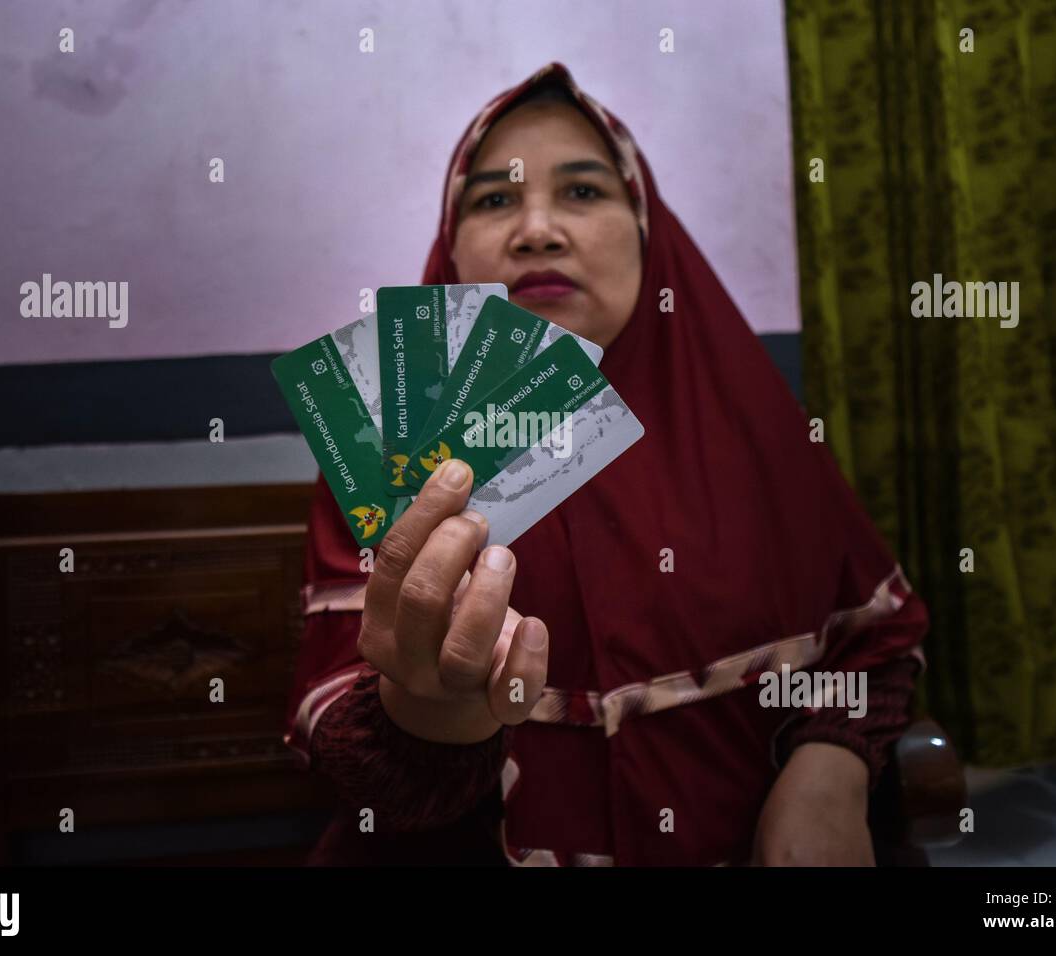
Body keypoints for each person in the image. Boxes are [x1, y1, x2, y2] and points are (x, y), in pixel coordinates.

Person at [284, 62, 929, 866]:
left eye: (584, 192)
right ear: (451, 254)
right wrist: (428, 718)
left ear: (647, 229)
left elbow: (875, 640)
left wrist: (828, 769)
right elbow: (344, 749)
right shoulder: (396, 448)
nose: (538, 229)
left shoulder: (754, 427)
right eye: (493, 200)